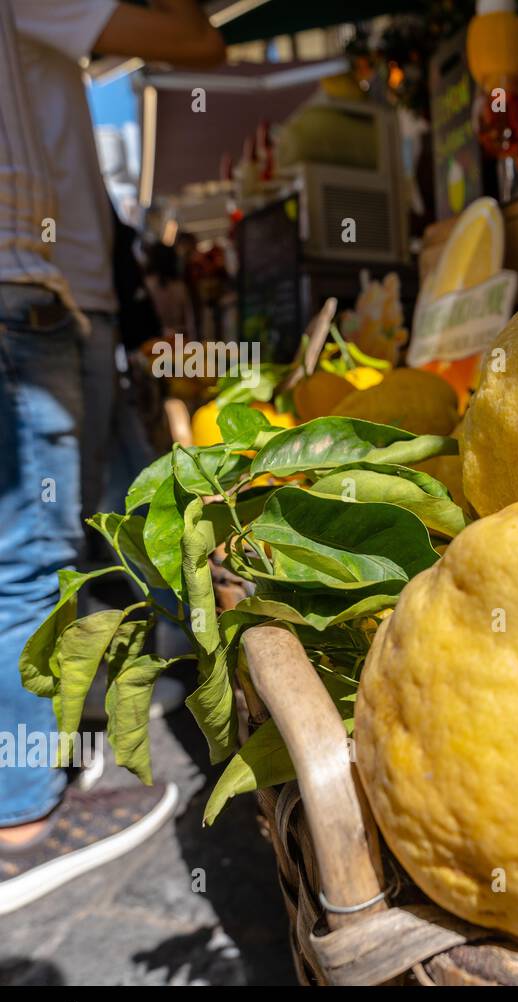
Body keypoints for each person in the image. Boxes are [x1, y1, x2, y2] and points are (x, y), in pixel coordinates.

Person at [0, 0, 225, 915]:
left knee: (67, 534)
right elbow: (197, 38)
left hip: (56, 290)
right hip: (24, 288)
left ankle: (52, 733)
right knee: (31, 559)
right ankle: (19, 822)